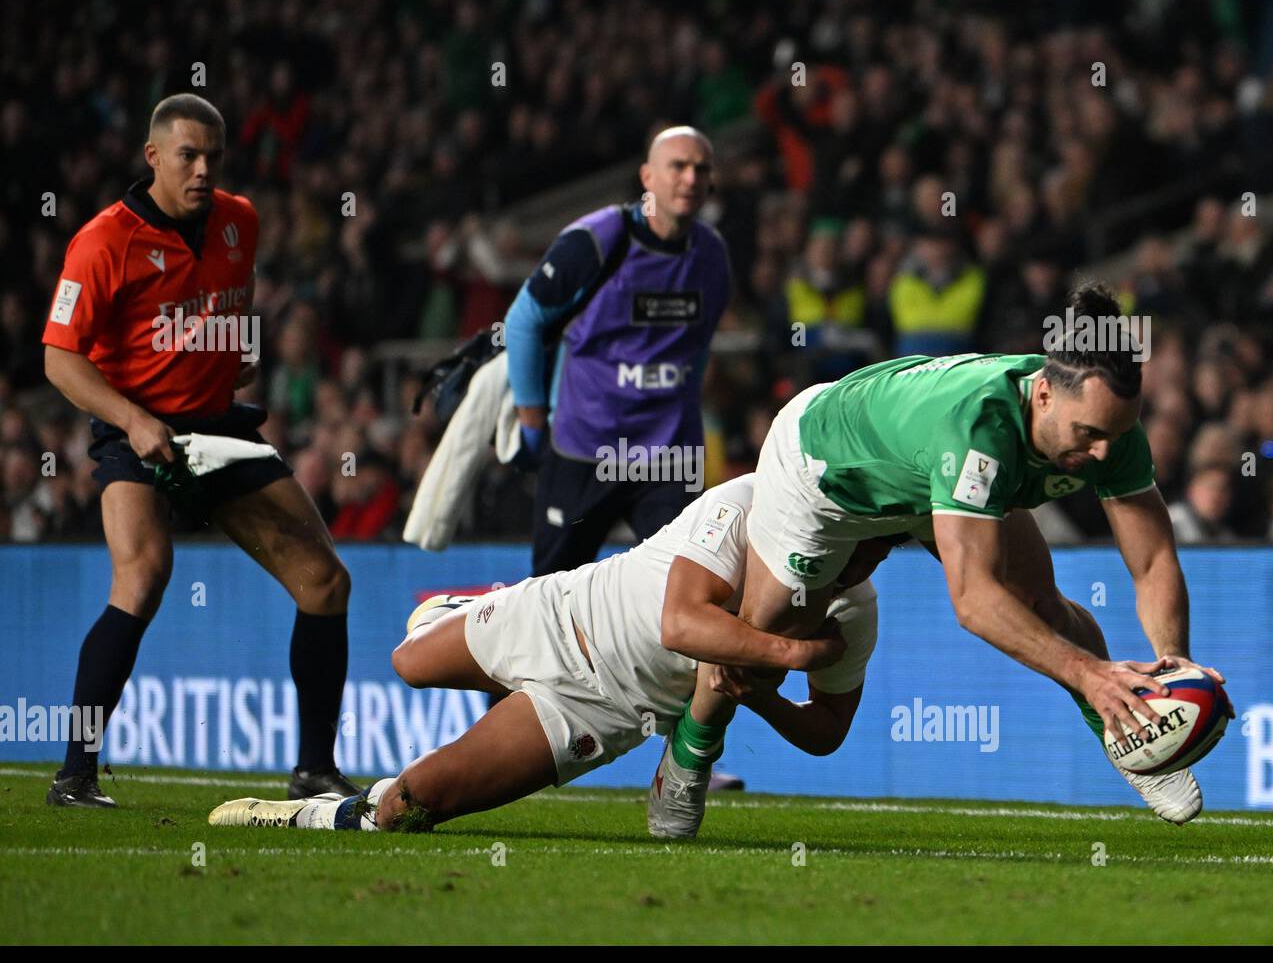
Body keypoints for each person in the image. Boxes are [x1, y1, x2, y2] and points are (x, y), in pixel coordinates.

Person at [651, 283, 1229, 837]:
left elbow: (1152, 560)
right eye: (1089, 434)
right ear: (1045, 394)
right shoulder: (979, 427)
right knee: (757, 649)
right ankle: (689, 752)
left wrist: (1173, 668)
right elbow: (974, 601)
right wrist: (1093, 675)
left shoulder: (1108, 426)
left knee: (1042, 602)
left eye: (1114, 435)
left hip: (926, 475)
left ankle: (1126, 736)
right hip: (822, 471)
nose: (1103, 451)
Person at [207, 474, 878, 836]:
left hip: (603, 709)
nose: (866, 552)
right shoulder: (747, 504)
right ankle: (463, 611)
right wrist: (782, 652)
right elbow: (682, 624)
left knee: (407, 808)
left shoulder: (855, 611)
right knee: (406, 663)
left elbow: (825, 733)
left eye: (881, 542)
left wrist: (758, 687)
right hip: (565, 611)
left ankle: (319, 814)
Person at [42, 94, 356, 807]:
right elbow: (60, 361)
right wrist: (133, 419)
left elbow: (223, 312)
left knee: (326, 583)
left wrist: (227, 355)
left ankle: (314, 769)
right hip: (136, 436)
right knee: (144, 576)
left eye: (214, 155)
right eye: (188, 155)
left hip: (220, 432)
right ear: (153, 157)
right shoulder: (101, 241)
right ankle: (75, 773)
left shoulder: (241, 221)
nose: (204, 168)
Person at [506, 125, 732, 576]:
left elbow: (700, 345)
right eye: (678, 166)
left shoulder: (713, 254)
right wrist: (532, 421)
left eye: (700, 169)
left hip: (668, 458)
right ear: (647, 177)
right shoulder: (595, 240)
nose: (690, 178)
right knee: (552, 594)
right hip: (583, 450)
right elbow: (523, 322)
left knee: (687, 590)